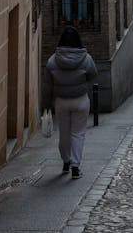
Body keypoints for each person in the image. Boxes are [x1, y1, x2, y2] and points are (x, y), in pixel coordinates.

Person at [42, 27, 98, 179]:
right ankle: (75, 167)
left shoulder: (53, 60)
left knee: (64, 133)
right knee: (78, 134)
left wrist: (46, 104)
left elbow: (47, 85)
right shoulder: (86, 59)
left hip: (61, 101)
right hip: (80, 100)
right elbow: (93, 75)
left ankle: (66, 162)